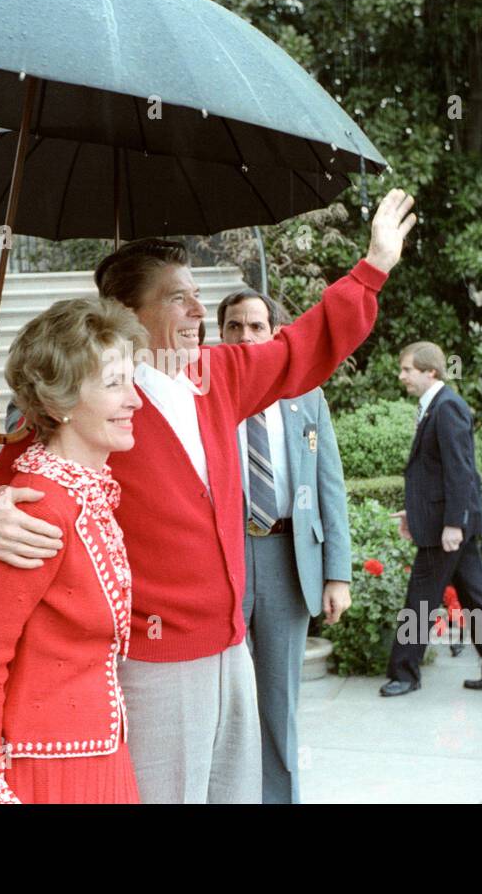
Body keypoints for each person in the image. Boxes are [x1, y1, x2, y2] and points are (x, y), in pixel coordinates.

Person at [0, 189, 416, 803]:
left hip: (231, 649)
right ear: (125, 310)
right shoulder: (86, 406)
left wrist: (371, 268)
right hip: (152, 668)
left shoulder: (218, 374)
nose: (199, 309)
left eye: (196, 294)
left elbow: (302, 347)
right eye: (177, 296)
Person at [0, 298, 146, 804]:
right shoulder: (38, 505)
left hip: (97, 753)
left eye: (131, 379)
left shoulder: (85, 492)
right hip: (47, 769)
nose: (135, 400)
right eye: (113, 384)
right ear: (58, 404)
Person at [218, 289, 352, 804]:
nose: (246, 336)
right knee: (228, 698)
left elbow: (329, 486)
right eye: (235, 326)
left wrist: (336, 574)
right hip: (224, 560)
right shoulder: (211, 393)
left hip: (287, 559)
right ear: (221, 333)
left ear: (276, 332)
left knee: (279, 698)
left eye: (256, 326)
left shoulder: (306, 396)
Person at [382, 342, 482, 696]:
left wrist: (453, 524)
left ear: (431, 372)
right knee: (476, 600)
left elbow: (461, 473)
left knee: (420, 600)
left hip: (448, 529)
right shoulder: (437, 407)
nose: (402, 377)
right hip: (445, 524)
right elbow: (435, 474)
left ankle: (404, 674)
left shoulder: (447, 408)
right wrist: (415, 513)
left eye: (407, 370)